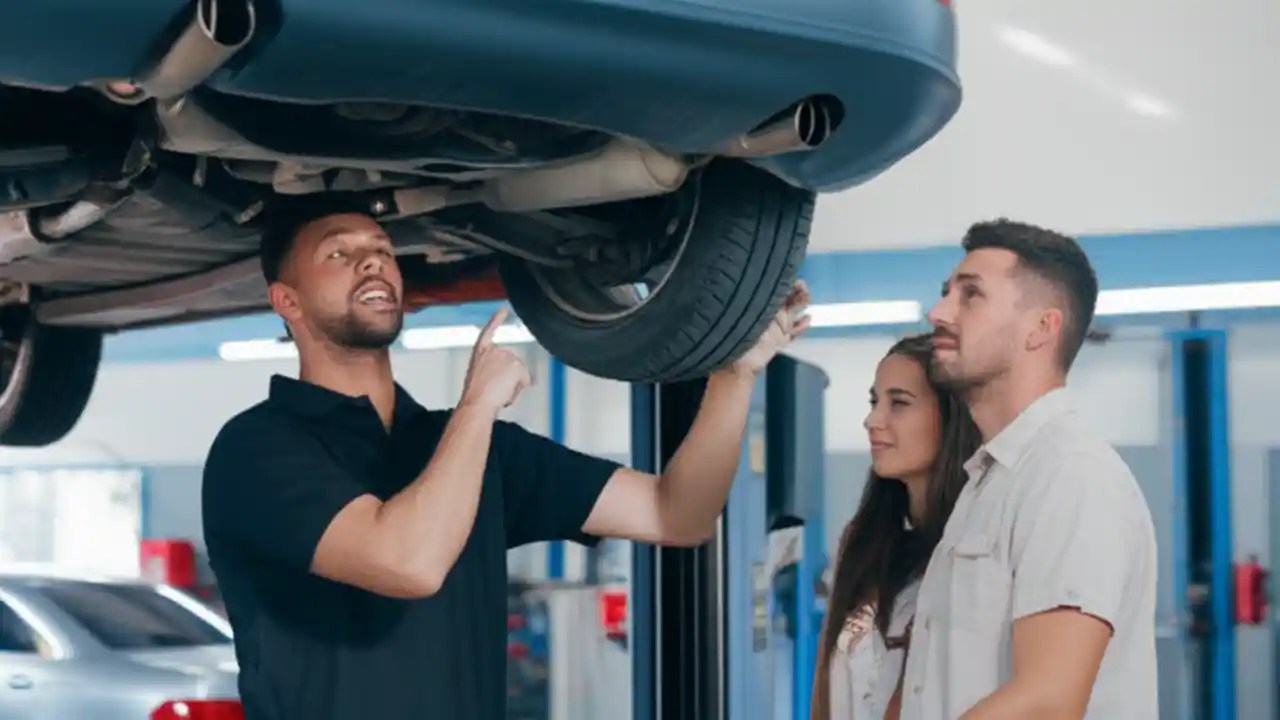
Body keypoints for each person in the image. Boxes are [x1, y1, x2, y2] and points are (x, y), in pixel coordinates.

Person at [199, 199, 812, 720]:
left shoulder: (475, 446)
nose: (373, 260)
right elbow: (408, 563)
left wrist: (736, 375)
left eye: (382, 247)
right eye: (339, 252)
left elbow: (677, 514)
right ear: (288, 302)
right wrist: (477, 404)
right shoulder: (257, 450)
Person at [897, 219, 1159, 719]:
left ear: (1042, 328)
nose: (939, 312)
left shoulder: (1070, 475)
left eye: (970, 296)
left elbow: (1047, 701)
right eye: (945, 292)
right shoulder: (993, 480)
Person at [811, 333, 980, 720]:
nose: (872, 419)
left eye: (899, 403)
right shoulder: (862, 542)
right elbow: (824, 695)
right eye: (875, 401)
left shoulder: (977, 547)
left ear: (952, 418)